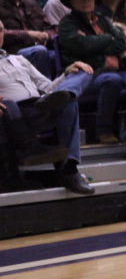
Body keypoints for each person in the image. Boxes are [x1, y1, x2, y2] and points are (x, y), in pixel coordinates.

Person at [0, 22, 95, 193]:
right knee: (67, 102)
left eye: (0, 30)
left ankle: (66, 92)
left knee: (82, 72)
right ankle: (70, 170)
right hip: (14, 114)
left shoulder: (18, 59)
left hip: (40, 105)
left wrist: (67, 73)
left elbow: (47, 86)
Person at [56, 0, 126, 145]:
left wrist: (95, 43)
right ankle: (104, 131)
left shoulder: (103, 19)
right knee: (112, 81)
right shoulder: (66, 24)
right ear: (72, 2)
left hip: (115, 69)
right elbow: (81, 46)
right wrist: (107, 38)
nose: (87, 1)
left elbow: (121, 43)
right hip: (86, 76)